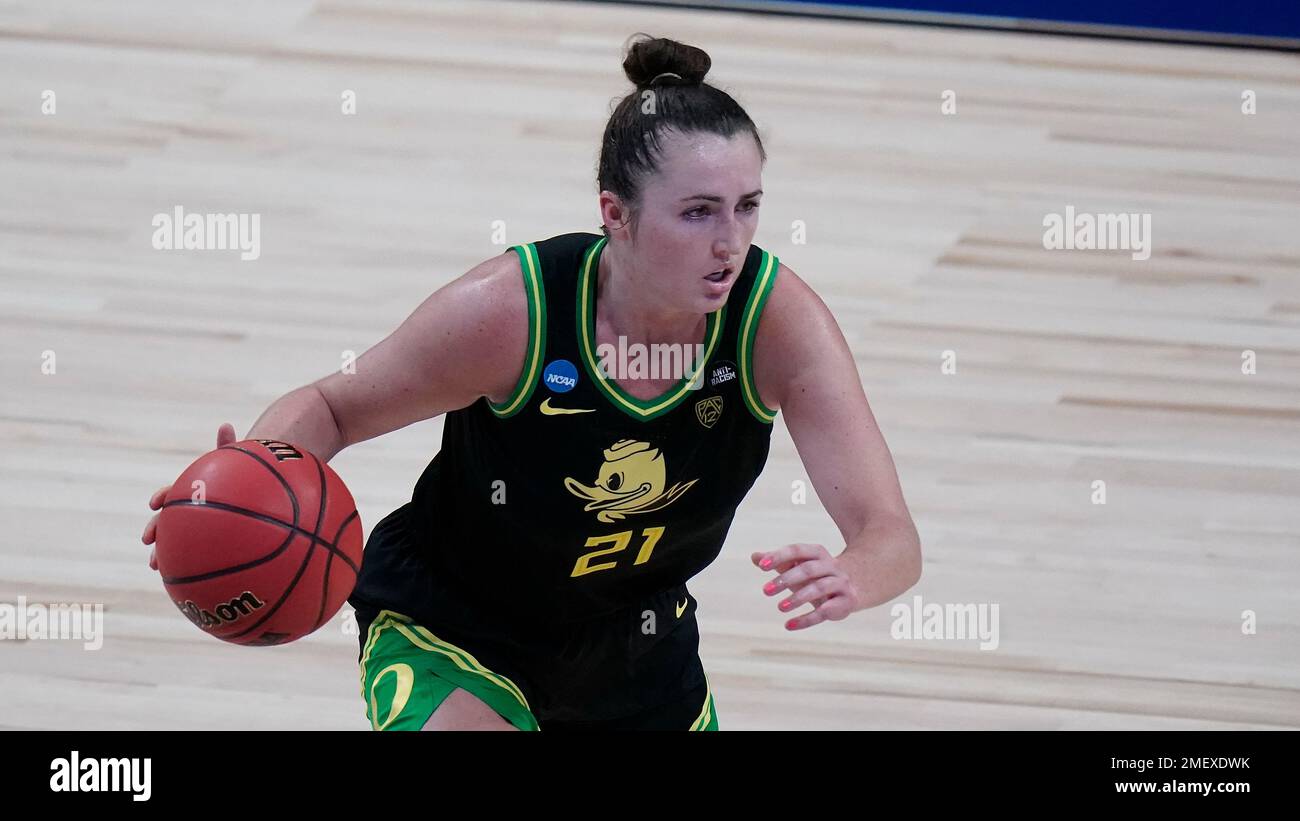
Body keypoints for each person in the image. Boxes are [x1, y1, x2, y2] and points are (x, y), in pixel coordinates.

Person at [142, 34, 921, 731]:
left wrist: (852, 573)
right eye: (697, 212)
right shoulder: (511, 314)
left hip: (638, 655)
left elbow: (892, 535)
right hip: (456, 625)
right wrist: (247, 485)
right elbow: (332, 405)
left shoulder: (775, 323)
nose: (730, 241)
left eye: (748, 207)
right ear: (615, 214)